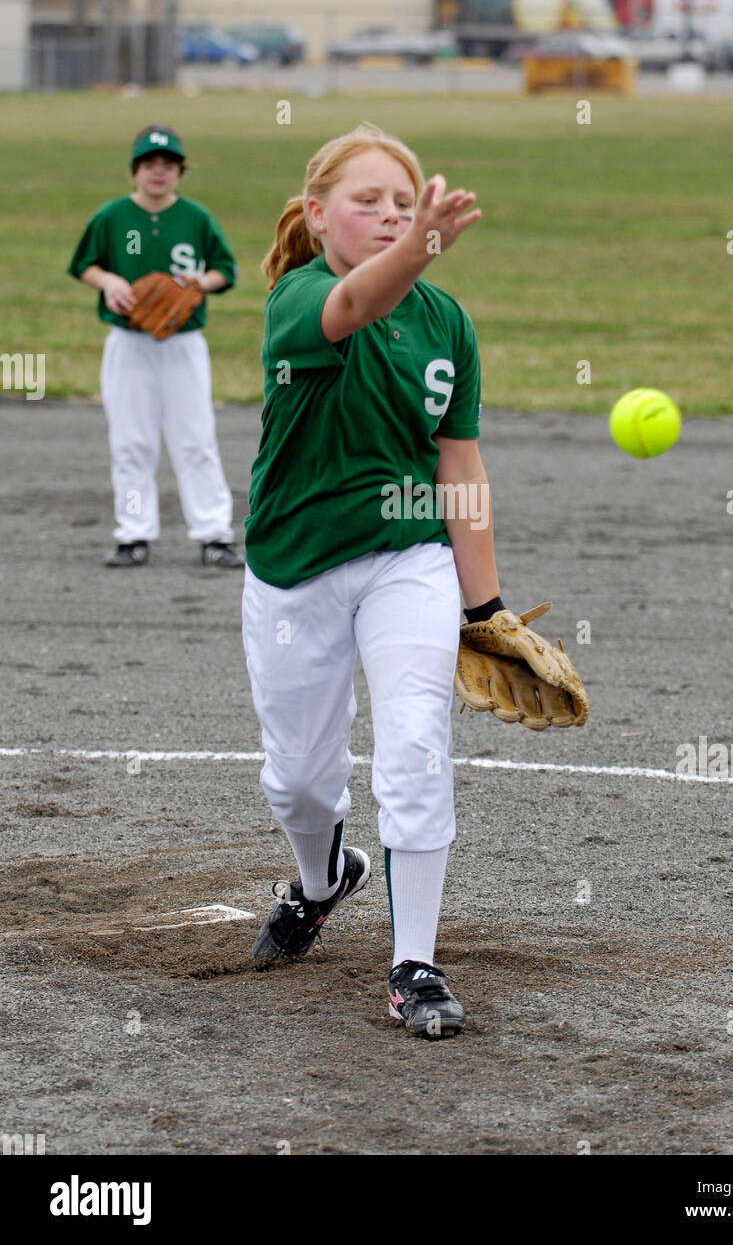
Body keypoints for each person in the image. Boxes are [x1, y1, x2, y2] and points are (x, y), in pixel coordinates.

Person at [242, 122, 504, 1038]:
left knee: (415, 750)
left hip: (409, 560)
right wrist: (422, 244)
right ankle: (323, 881)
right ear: (317, 217)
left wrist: (488, 606)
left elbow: (459, 470)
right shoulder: (299, 298)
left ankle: (415, 964)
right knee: (300, 783)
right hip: (296, 568)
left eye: (406, 203)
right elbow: (355, 305)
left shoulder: (447, 325)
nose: (392, 216)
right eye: (369, 202)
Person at [67, 124, 244, 569]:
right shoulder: (112, 216)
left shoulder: (196, 217)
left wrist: (195, 283)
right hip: (128, 344)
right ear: (135, 170)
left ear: (180, 170)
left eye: (168, 164)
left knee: (196, 439)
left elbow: (226, 270)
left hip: (184, 345)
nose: (159, 172)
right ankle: (133, 535)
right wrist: (108, 280)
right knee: (131, 441)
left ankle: (214, 535)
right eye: (150, 164)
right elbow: (84, 264)